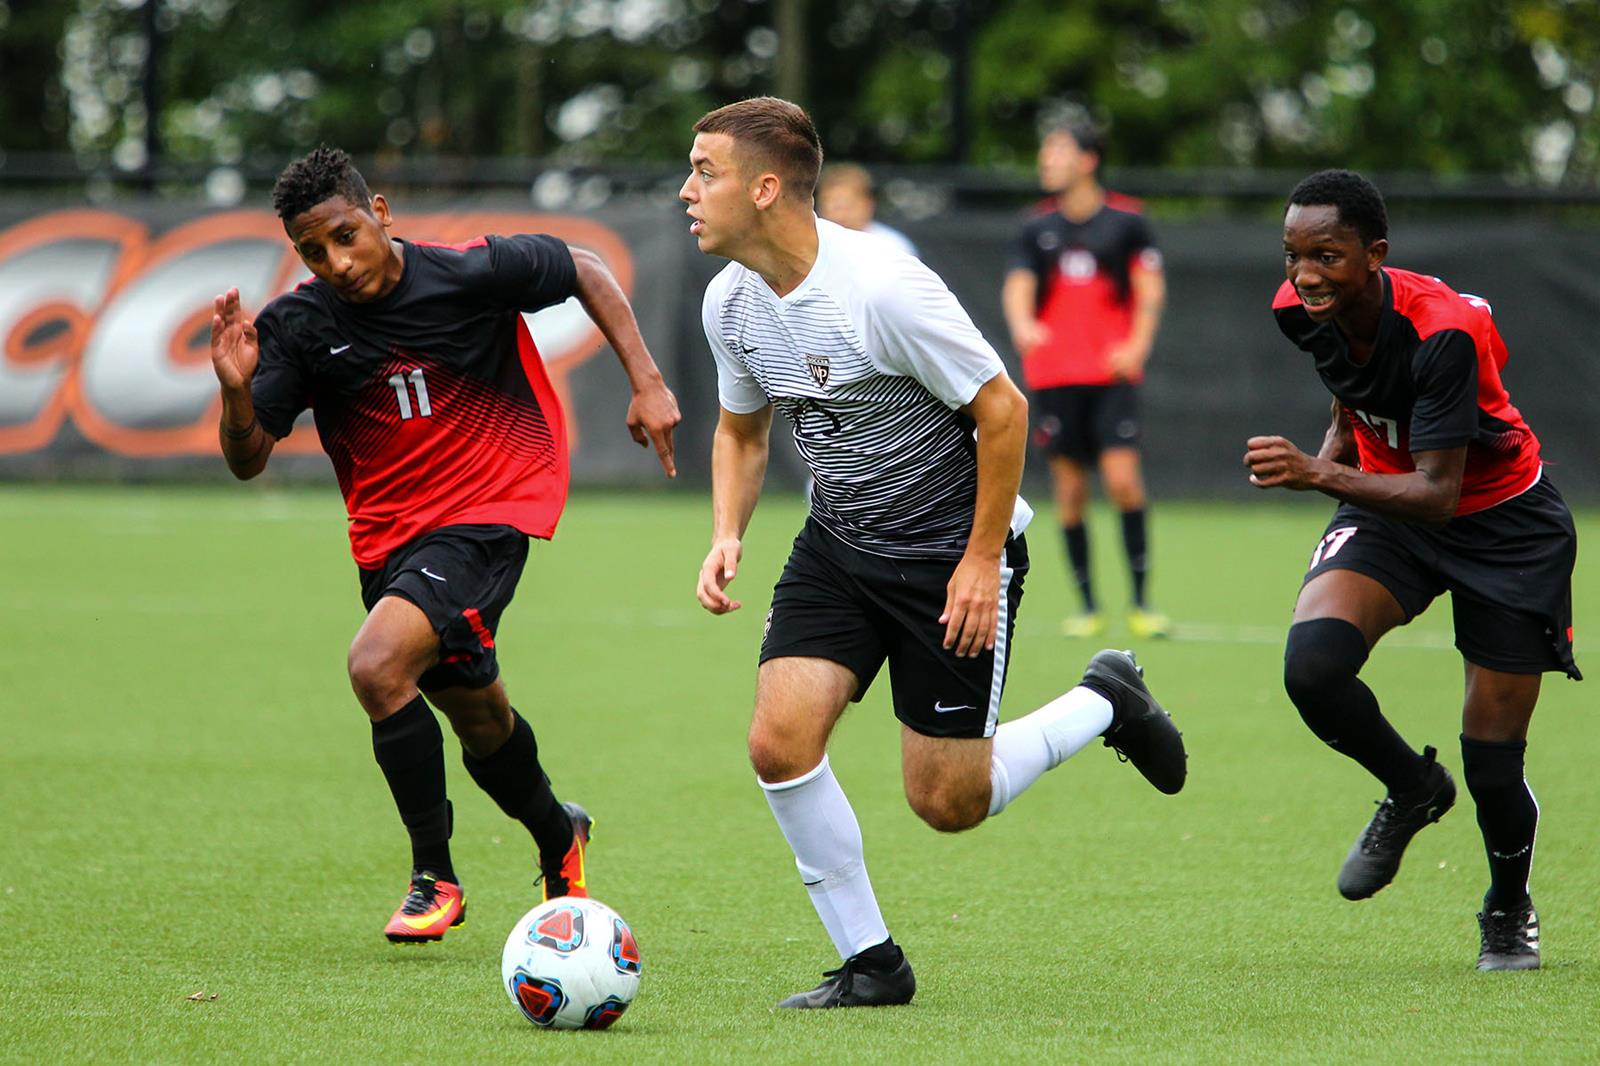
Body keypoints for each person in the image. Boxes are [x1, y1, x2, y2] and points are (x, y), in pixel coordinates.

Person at [681, 97, 1187, 1009]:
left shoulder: (880, 288)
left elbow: (1004, 413)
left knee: (947, 801)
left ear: (764, 190)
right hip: (838, 545)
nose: (687, 190)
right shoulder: (731, 304)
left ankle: (1104, 701)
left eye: (704, 171)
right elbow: (741, 432)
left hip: (950, 558)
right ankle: (871, 962)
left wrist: (980, 560)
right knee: (777, 741)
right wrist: (728, 532)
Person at [208, 146, 680, 944]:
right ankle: (559, 834)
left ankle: (436, 877)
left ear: (381, 212)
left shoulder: (470, 273)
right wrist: (234, 390)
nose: (337, 261)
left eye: (347, 235)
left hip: (489, 515)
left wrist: (648, 380)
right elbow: (249, 459)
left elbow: (587, 267)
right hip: (388, 546)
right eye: (313, 251)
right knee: (482, 722)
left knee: (375, 664)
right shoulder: (298, 326)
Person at [1247, 168, 1580, 972]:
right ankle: (1412, 788)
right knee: (1313, 668)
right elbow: (1349, 383)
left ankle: (1507, 907)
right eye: (1295, 255)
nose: (1306, 275)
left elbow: (1438, 493)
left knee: (1493, 760)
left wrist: (1317, 473)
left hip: (1500, 523)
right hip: (1386, 504)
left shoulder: (1444, 331)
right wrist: (1335, 442)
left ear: (1376, 254)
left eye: (1327, 255)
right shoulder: (1299, 309)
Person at [1001, 118, 1168, 640]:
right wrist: (1025, 326)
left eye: (1057, 150)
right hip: (1054, 378)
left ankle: (1141, 603)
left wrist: (1137, 344)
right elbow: (1017, 287)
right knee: (1069, 491)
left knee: (1122, 481)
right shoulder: (1035, 226)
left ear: (1088, 159)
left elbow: (1149, 287)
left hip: (1110, 376)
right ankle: (1089, 606)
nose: (1046, 159)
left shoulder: (1127, 222)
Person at [816, 162, 918, 258]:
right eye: (834, 206)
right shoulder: (810, 247)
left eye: (847, 206)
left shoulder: (894, 248)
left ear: (868, 205)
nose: (840, 215)